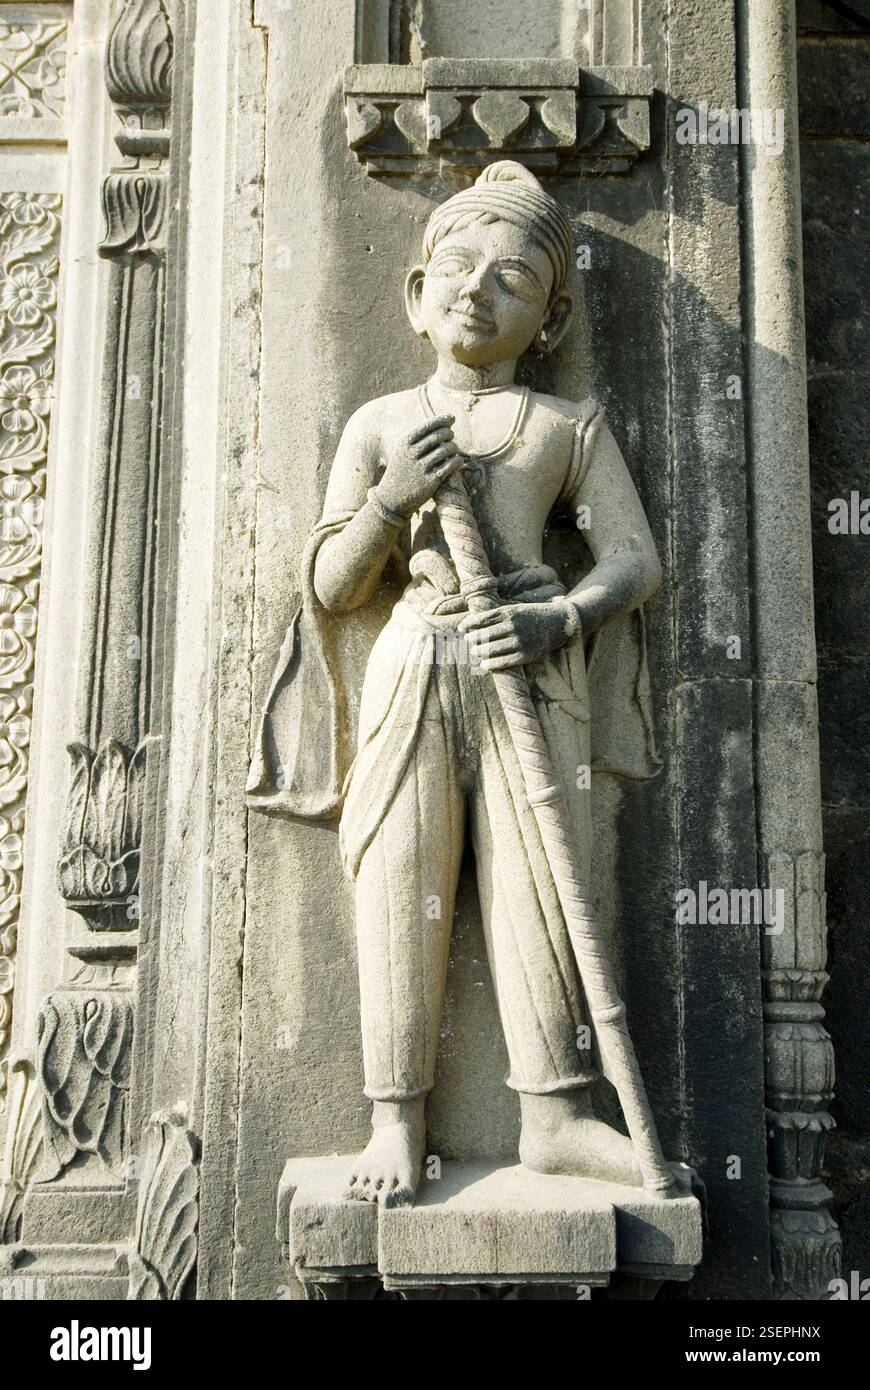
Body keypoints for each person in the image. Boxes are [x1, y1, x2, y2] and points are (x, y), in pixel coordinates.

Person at [248, 161, 662, 1207]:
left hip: (521, 667)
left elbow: (634, 559)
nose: (478, 289)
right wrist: (390, 502)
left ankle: (556, 1114)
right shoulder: (384, 424)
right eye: (458, 270)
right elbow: (337, 585)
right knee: (400, 881)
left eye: (513, 279)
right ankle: (398, 1121)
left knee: (540, 888)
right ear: (415, 294)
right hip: (414, 664)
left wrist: (558, 613)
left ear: (552, 315)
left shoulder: (565, 429)